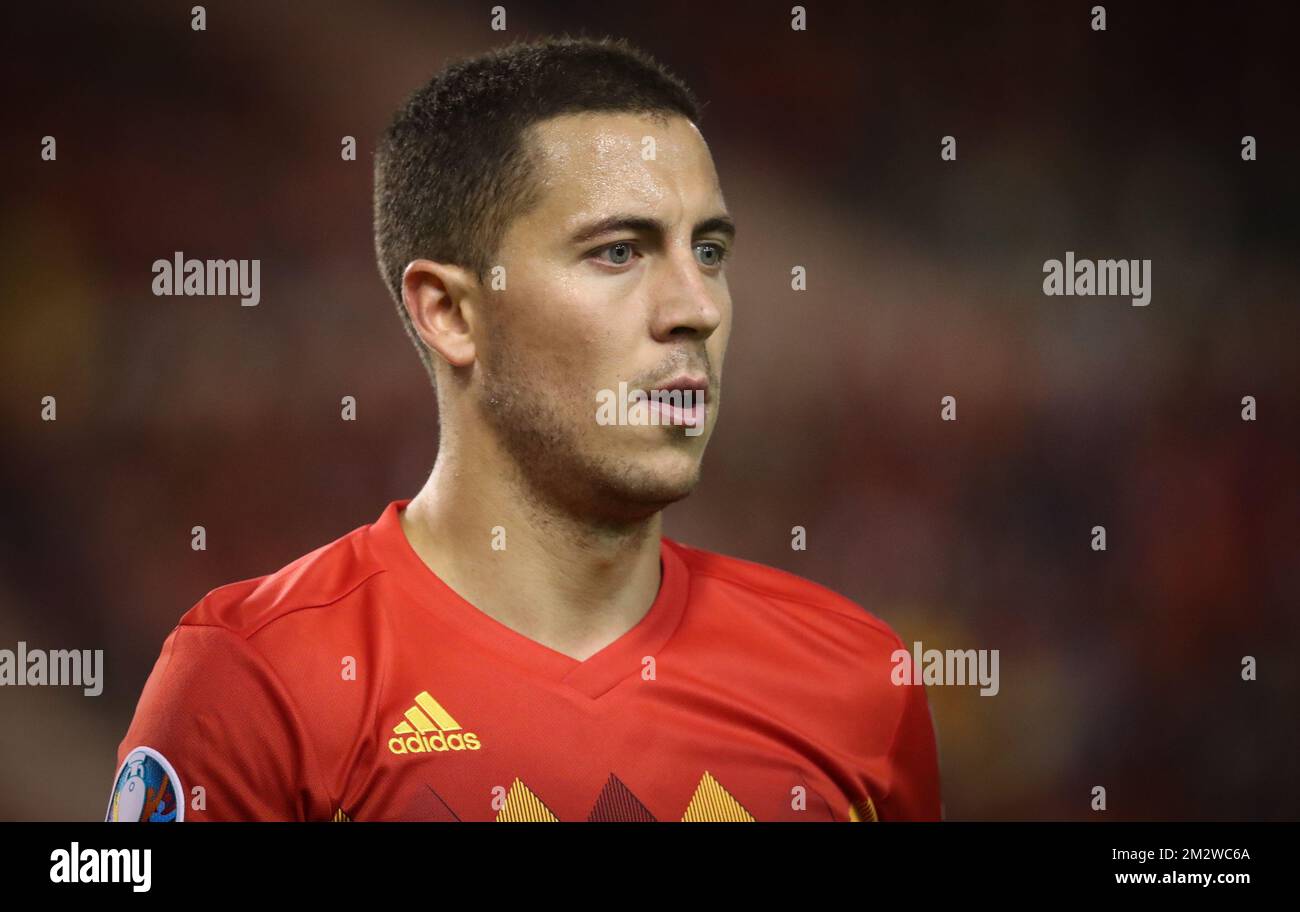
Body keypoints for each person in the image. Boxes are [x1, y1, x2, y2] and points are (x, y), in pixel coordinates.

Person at [106, 35, 941, 822]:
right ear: (450, 314)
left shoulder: (855, 678)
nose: (696, 308)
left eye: (711, 252)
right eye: (619, 251)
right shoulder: (255, 679)